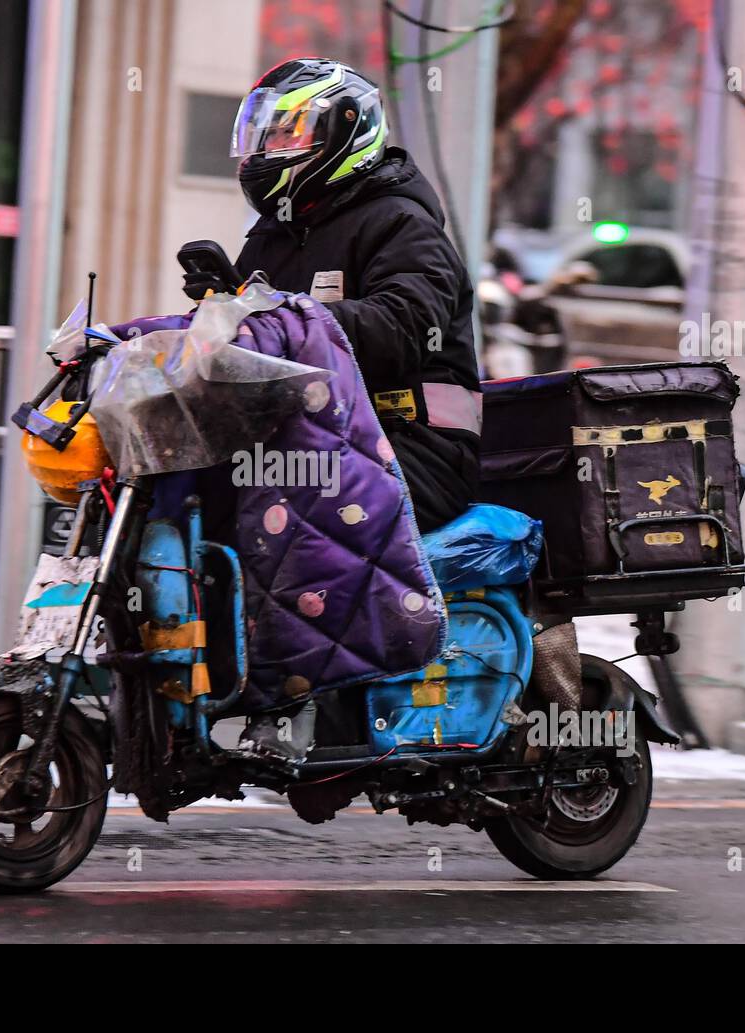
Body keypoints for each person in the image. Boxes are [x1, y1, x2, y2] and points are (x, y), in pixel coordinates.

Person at [194, 57, 482, 768]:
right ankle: (180, 674)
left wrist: (285, 316)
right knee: (176, 479)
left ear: (346, 130)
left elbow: (403, 326)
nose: (267, 151)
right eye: (262, 134)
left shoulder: (403, 224)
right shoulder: (276, 234)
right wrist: (220, 301)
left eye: (286, 135)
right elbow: (263, 341)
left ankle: (293, 702)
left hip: (413, 439)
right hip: (324, 430)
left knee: (292, 488)